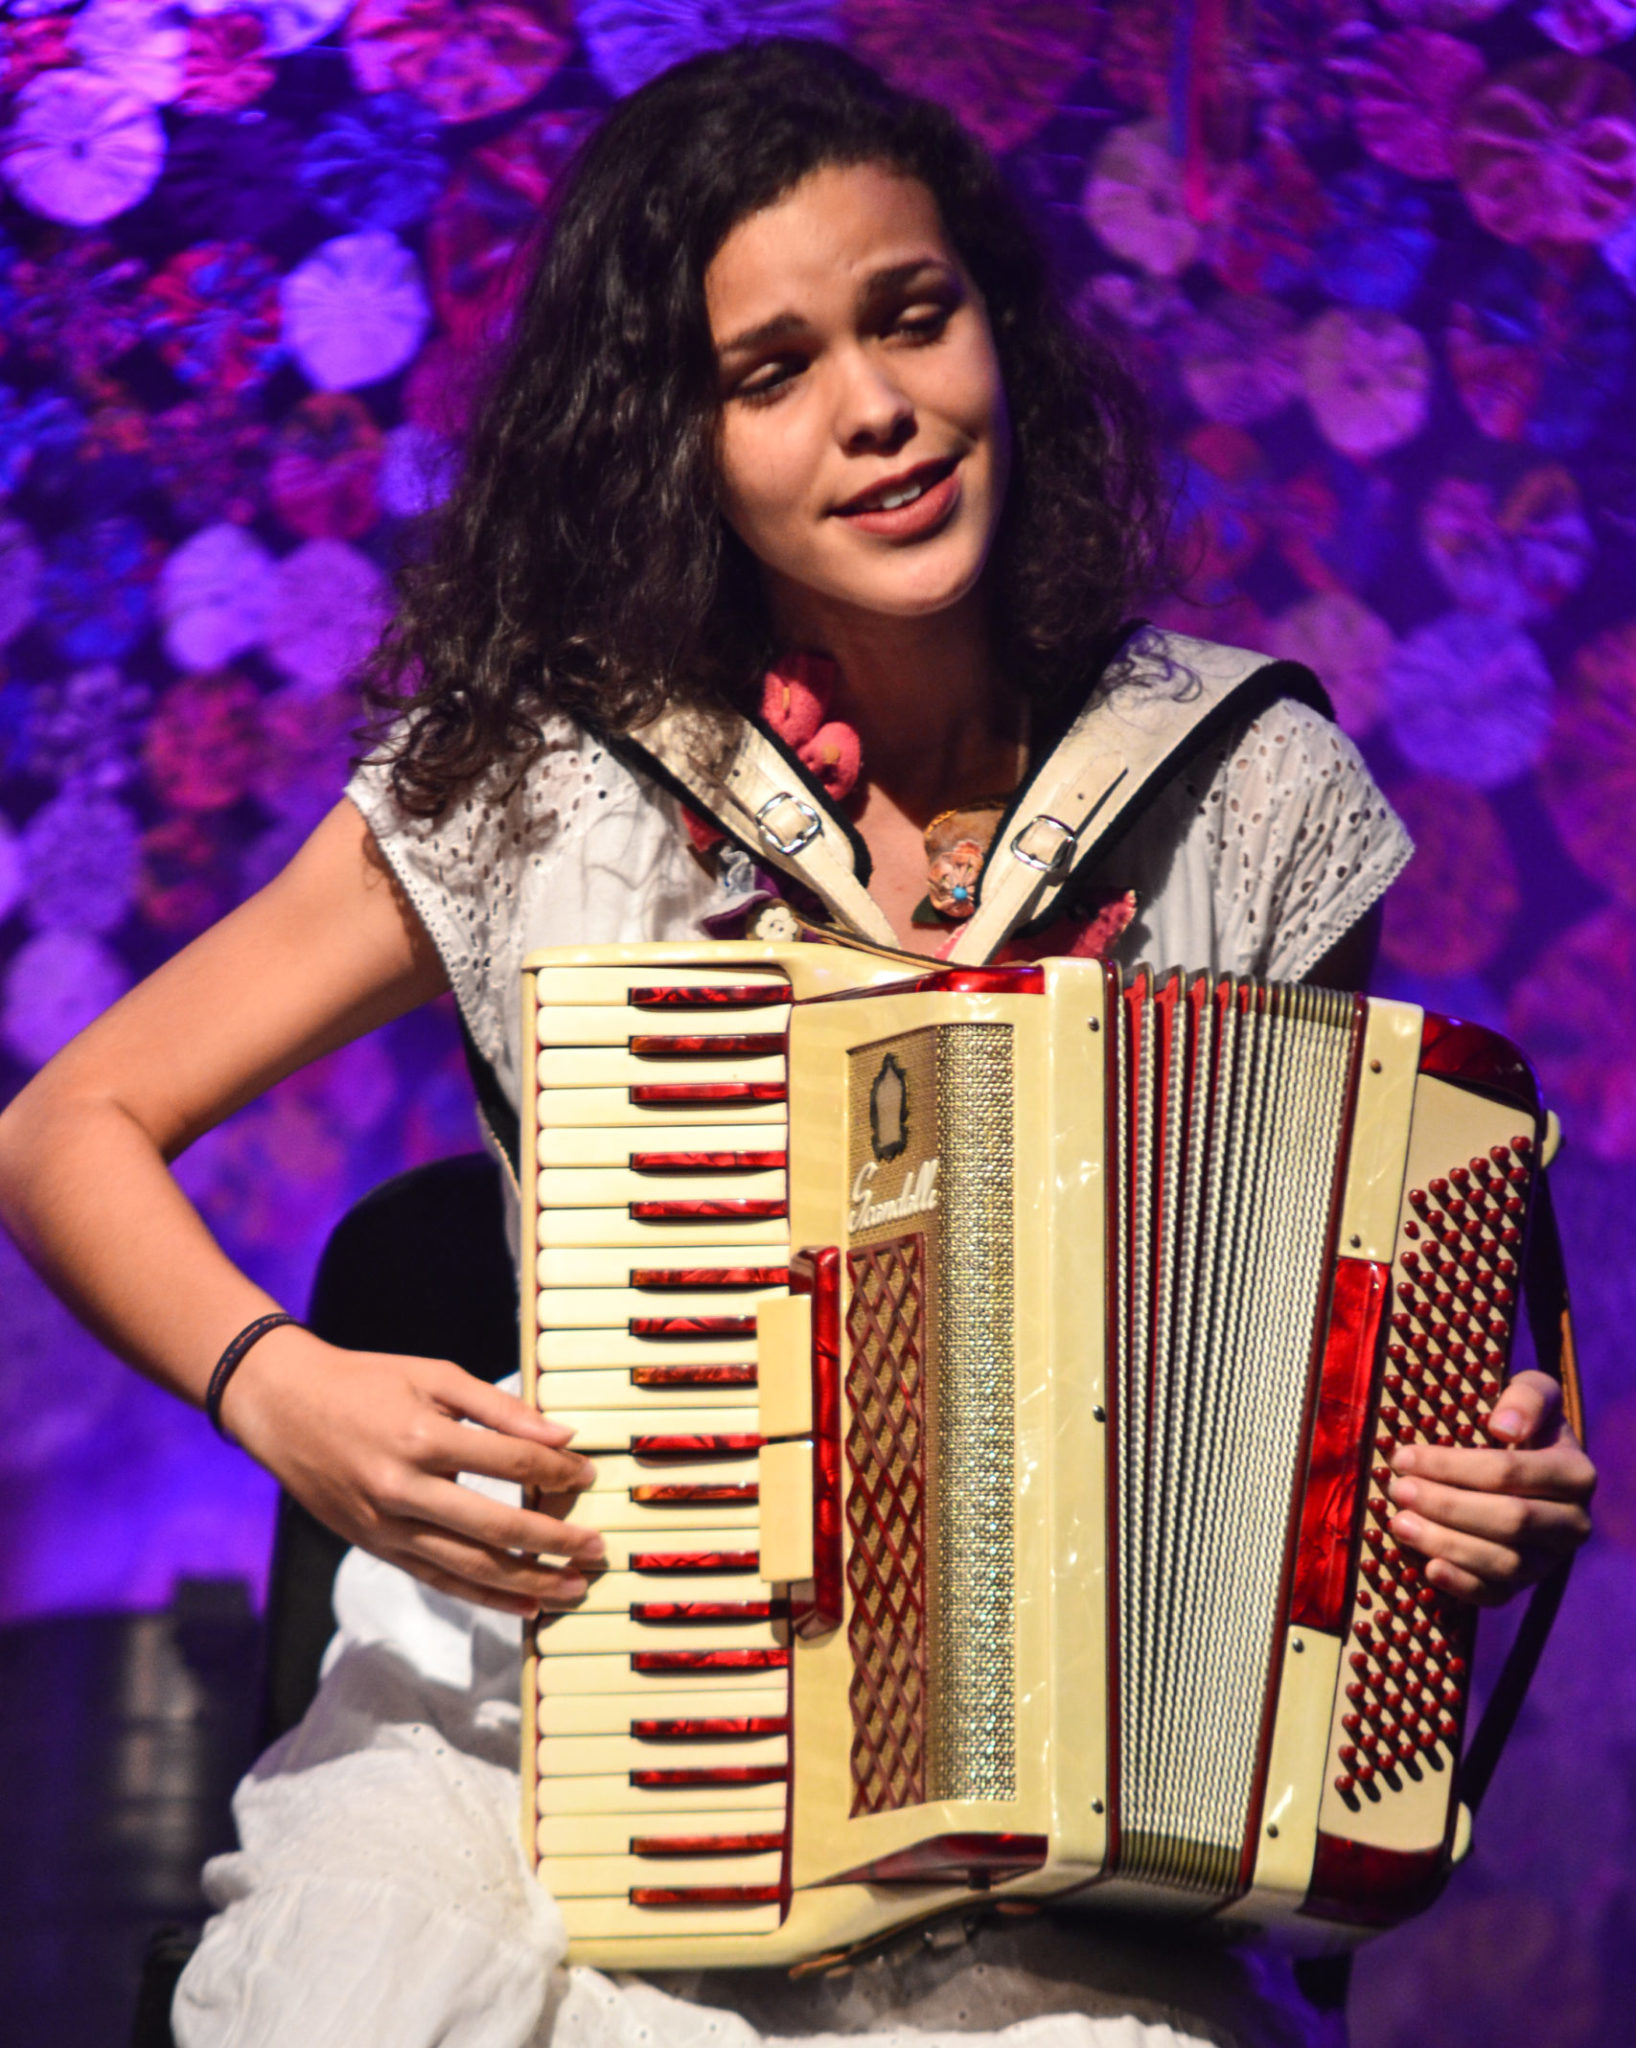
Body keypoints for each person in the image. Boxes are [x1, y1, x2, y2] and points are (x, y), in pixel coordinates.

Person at [0, 38, 1594, 2048]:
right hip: (565, 1738)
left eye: (912, 318)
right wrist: (276, 1388)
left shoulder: (1245, 789)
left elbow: (1316, 1349)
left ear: (994, 334)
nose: (874, 411)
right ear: (675, 443)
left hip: (1070, 1843)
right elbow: (69, 1121)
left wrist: (1459, 1473)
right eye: (768, 373)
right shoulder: (537, 790)